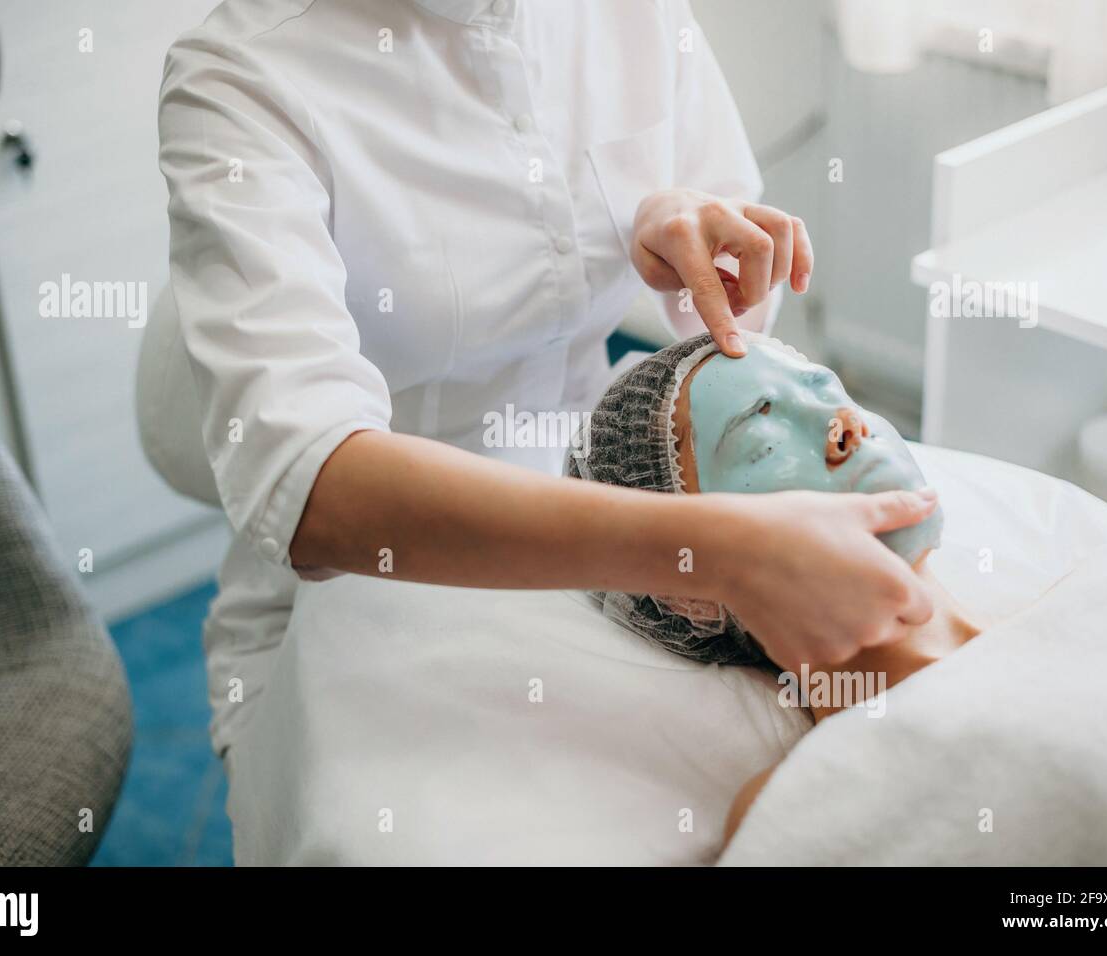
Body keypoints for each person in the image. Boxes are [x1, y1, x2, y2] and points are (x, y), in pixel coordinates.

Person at [157, 0, 938, 758]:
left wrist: (687, 238)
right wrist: (715, 552)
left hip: (629, 498)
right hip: (362, 575)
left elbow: (734, 333)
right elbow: (312, 495)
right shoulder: (242, 81)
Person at [565, 330, 984, 842]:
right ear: (692, 596)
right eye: (761, 444)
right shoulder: (806, 809)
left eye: (830, 391)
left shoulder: (1097, 610)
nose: (844, 423)